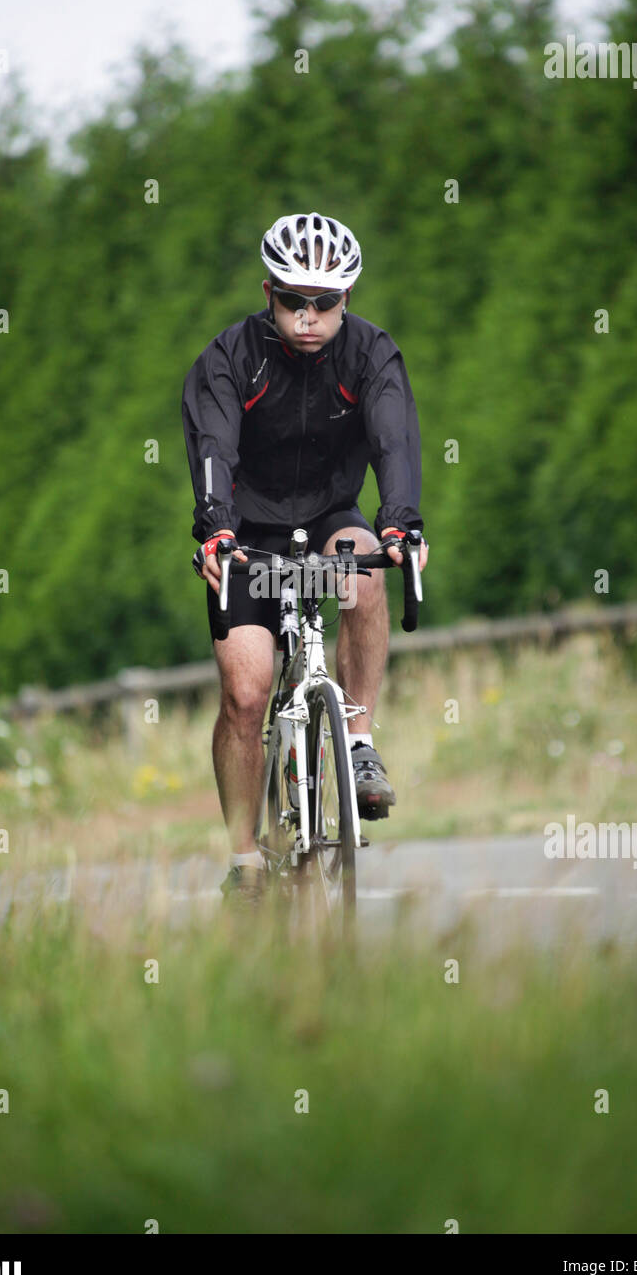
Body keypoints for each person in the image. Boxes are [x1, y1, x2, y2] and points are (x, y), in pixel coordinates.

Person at [182, 212, 428, 901]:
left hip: (327, 515)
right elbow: (213, 450)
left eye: (326, 302)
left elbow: (394, 443)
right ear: (269, 293)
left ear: (347, 298)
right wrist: (215, 530)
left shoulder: (372, 354)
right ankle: (244, 861)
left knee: (366, 563)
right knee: (246, 692)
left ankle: (356, 740)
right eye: (294, 299)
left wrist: (404, 524)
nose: (309, 316)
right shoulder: (228, 359)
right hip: (246, 533)